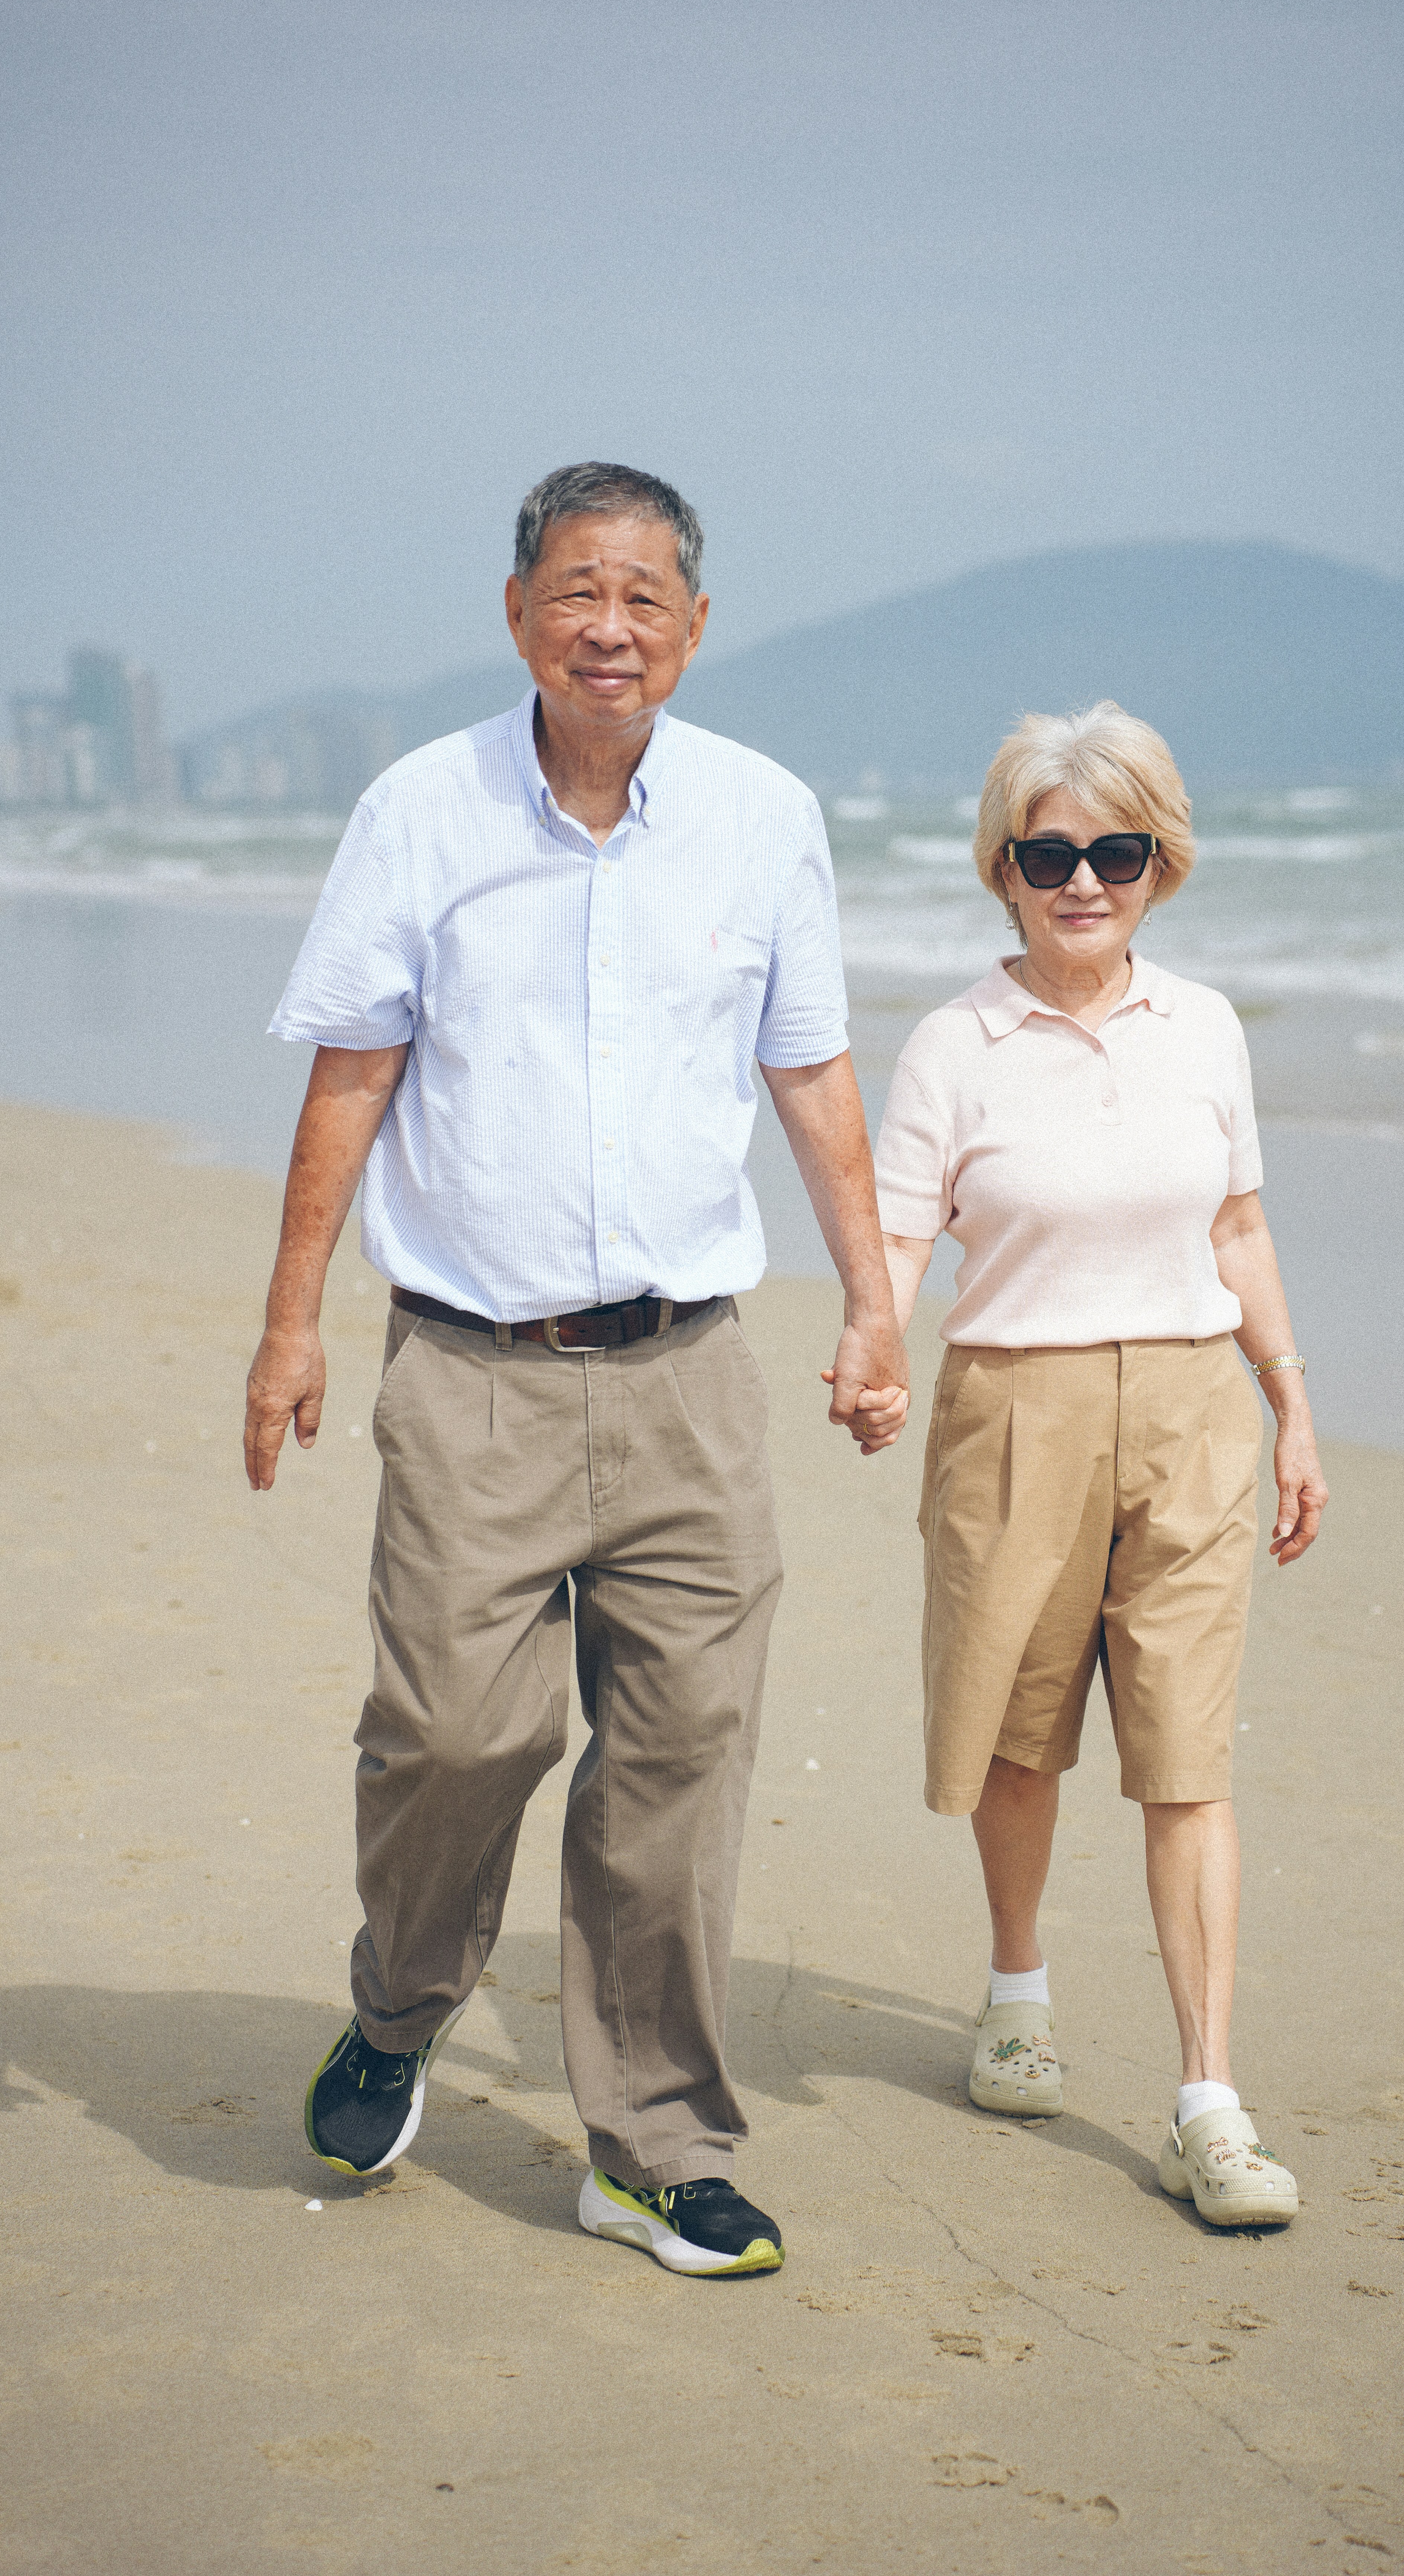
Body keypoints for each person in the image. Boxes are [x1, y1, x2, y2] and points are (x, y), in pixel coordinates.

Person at [244, 462, 909, 2278]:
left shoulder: (765, 816)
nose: (610, 626)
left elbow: (812, 1072)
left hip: (693, 1371)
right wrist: (291, 1320)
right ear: (521, 611)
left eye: (645, 597)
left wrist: (869, 1300)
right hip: (475, 1370)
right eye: (576, 591)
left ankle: (654, 2144)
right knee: (460, 1736)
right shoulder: (419, 809)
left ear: (695, 626)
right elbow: (354, 1073)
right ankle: (398, 2008)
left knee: (680, 1761)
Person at [872, 701, 1326, 2227]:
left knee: (1187, 1762)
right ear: (1003, 867)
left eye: (1116, 851)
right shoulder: (953, 1046)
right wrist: (868, 1348)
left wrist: (1293, 1406)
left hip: (1198, 1413)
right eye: (1051, 853)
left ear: (1161, 862)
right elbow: (895, 1231)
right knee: (1018, 1737)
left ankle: (1208, 2099)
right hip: (1015, 1410)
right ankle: (1017, 1993)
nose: (1084, 882)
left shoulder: (1204, 1027)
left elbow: (1240, 1229)